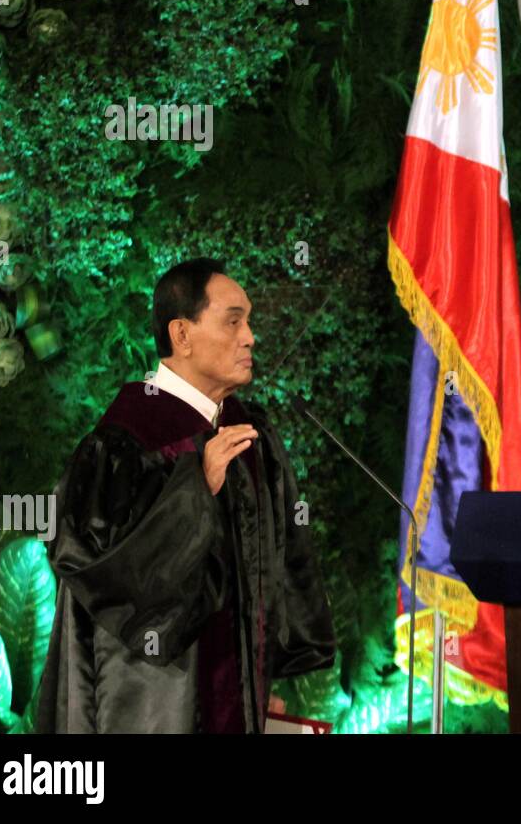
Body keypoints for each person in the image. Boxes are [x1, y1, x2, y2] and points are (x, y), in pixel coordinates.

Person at [35, 258, 336, 733]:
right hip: (153, 705)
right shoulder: (126, 440)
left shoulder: (248, 429)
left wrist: (261, 675)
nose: (250, 336)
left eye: (248, 321)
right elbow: (93, 569)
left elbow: (275, 562)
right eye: (233, 321)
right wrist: (195, 489)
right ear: (182, 334)